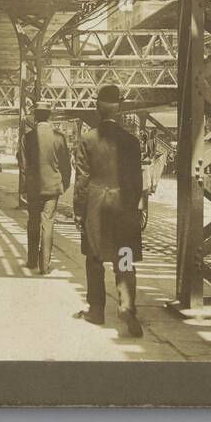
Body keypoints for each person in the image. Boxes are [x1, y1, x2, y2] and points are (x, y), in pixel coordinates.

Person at [72, 86, 144, 337]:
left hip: (96, 206)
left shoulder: (87, 139)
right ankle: (127, 306)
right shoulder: (132, 142)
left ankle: (96, 310)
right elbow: (137, 182)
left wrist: (78, 212)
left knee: (94, 258)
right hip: (124, 206)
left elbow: (82, 179)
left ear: (97, 108)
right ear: (120, 108)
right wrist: (134, 208)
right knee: (124, 257)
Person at [19, 101, 72, 275]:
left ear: (35, 116)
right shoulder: (59, 137)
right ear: (49, 115)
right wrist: (63, 183)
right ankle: (44, 265)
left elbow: (23, 165)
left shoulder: (28, 137)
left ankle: (32, 260)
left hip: (34, 188)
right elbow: (66, 164)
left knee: (33, 221)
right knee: (47, 223)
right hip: (52, 187)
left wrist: (29, 181)